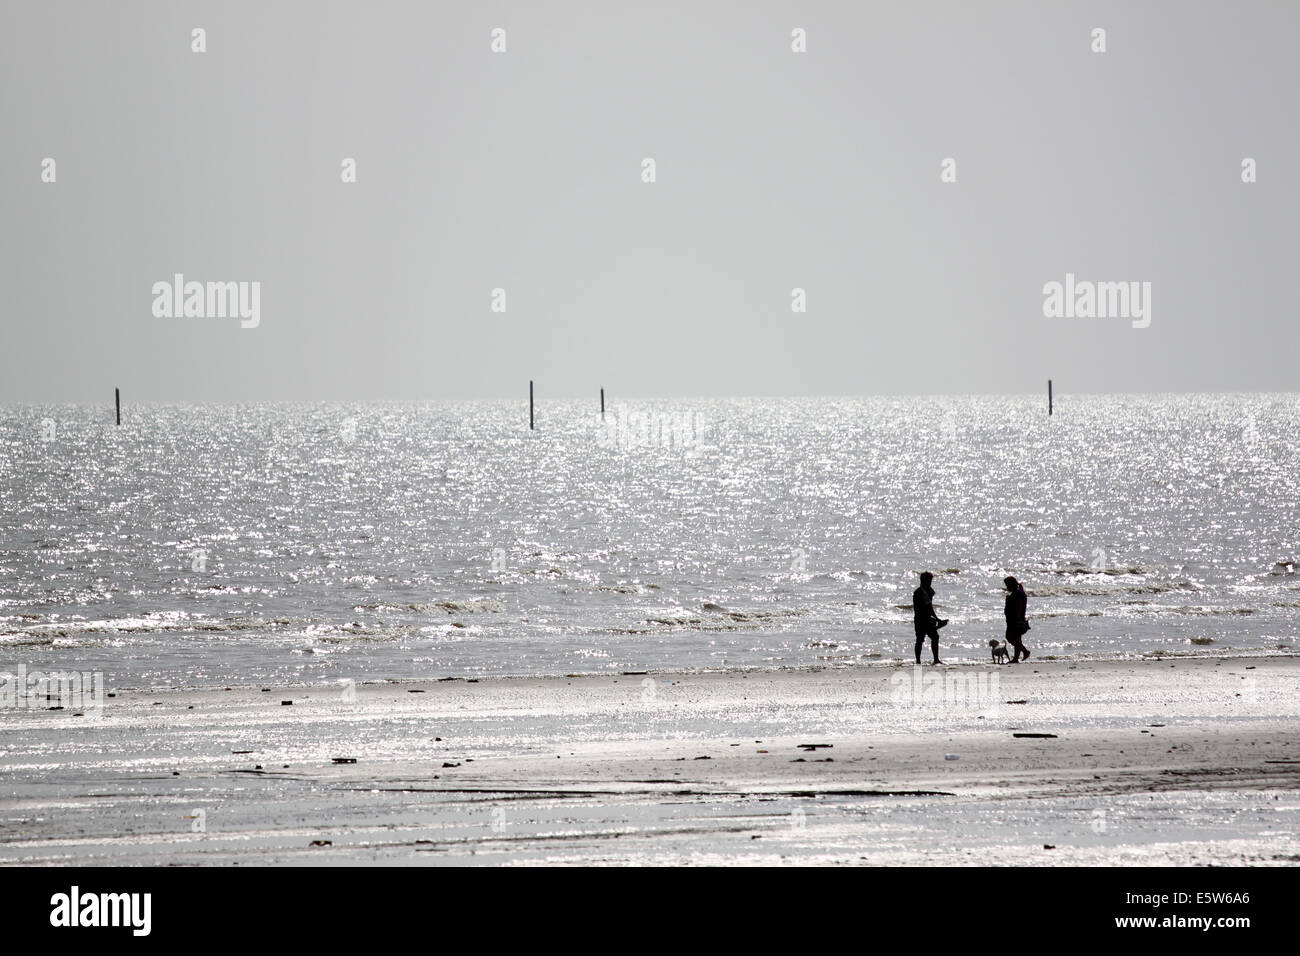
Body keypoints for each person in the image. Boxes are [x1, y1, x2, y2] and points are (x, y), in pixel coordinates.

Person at [912, 571, 947, 665]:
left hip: (925, 619)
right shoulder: (919, 592)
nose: (930, 582)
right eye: (929, 580)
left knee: (932, 637)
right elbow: (927, 607)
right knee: (921, 639)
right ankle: (919, 661)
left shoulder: (927, 591)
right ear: (924, 581)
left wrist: (936, 619)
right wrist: (936, 618)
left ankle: (934, 659)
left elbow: (929, 606)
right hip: (921, 619)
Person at [1004, 575, 1030, 663]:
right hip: (1015, 619)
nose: (1006, 587)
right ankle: (1016, 658)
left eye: (1007, 585)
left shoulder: (1017, 594)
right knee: (1017, 638)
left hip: (1015, 620)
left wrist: (1018, 619)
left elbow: (1018, 608)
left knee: (1010, 637)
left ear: (1011, 584)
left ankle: (1025, 651)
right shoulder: (1018, 592)